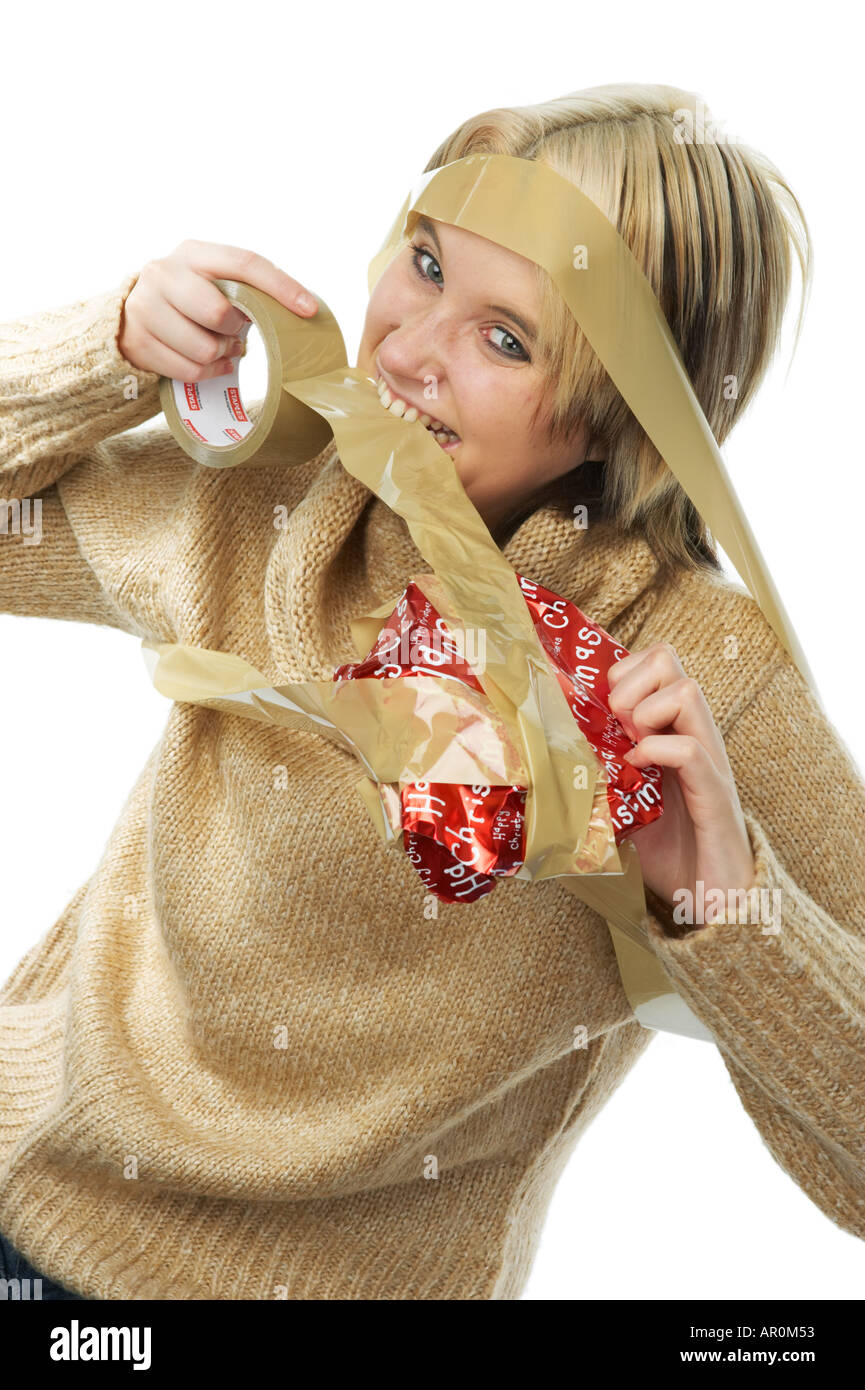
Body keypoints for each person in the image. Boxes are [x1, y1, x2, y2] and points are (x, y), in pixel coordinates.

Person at [1, 82, 864, 1302]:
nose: (404, 350)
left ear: (623, 426)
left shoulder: (692, 684)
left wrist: (720, 903)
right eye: (421, 264)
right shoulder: (260, 502)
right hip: (24, 1187)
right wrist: (104, 353)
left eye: (505, 339)